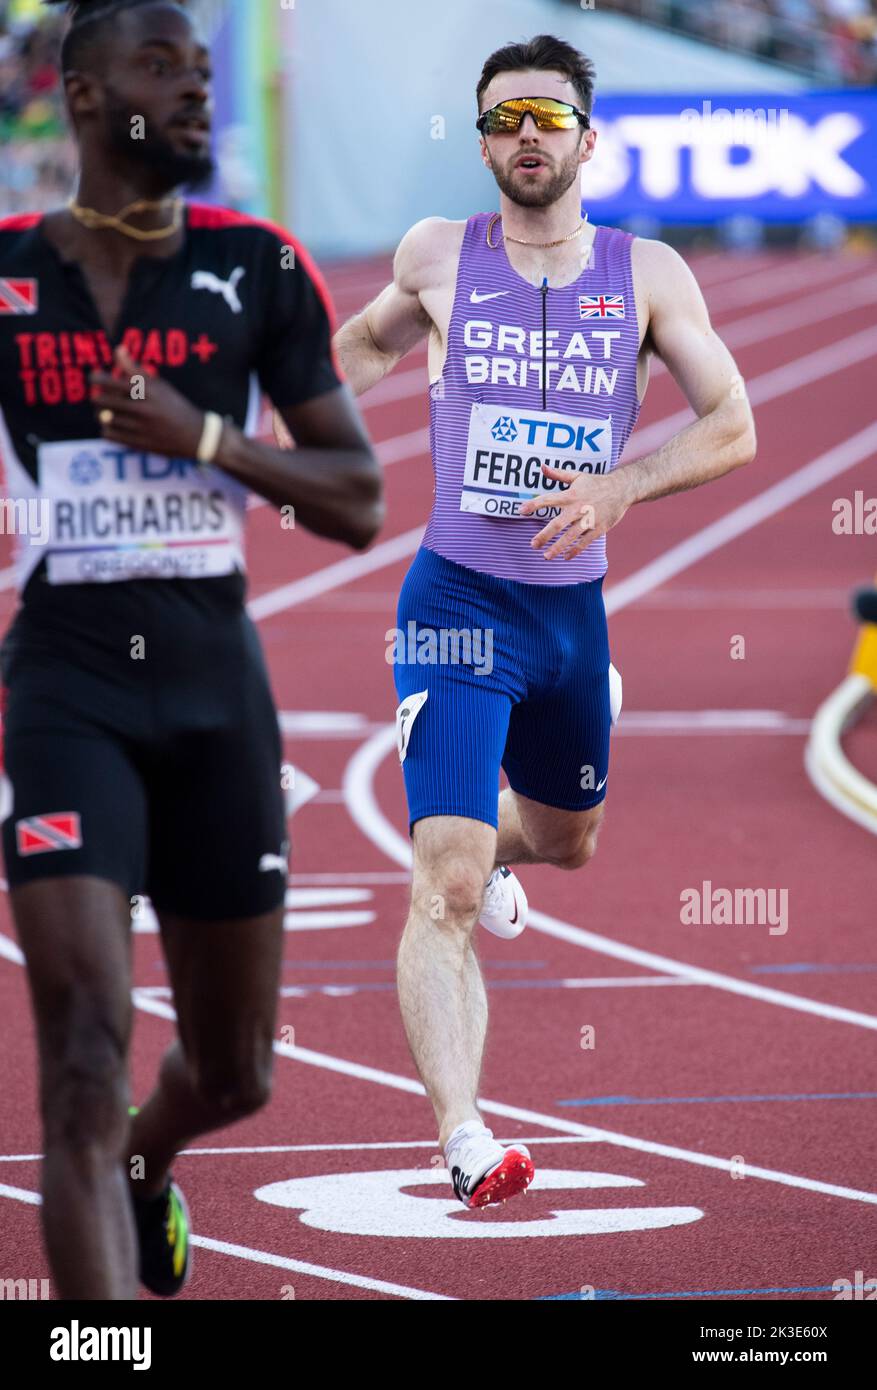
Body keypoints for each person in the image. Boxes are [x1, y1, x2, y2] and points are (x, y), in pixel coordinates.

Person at [0, 0, 382, 1299]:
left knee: (234, 1070)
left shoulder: (257, 267)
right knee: (82, 1048)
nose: (199, 92)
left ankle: (146, 1163)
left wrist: (206, 439)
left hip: (217, 686)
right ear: (87, 100)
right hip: (66, 684)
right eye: (164, 67)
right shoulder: (7, 275)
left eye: (205, 70)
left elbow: (356, 498)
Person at [334, 33, 755, 1210]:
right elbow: (359, 346)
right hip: (457, 604)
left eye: (549, 116)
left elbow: (734, 425)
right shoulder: (435, 255)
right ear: (480, 139)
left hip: (572, 616)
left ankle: (502, 841)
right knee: (445, 888)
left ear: (586, 137)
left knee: (566, 841)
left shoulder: (650, 273)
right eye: (505, 116)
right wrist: (298, 422)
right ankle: (464, 1136)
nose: (527, 133)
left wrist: (623, 485)